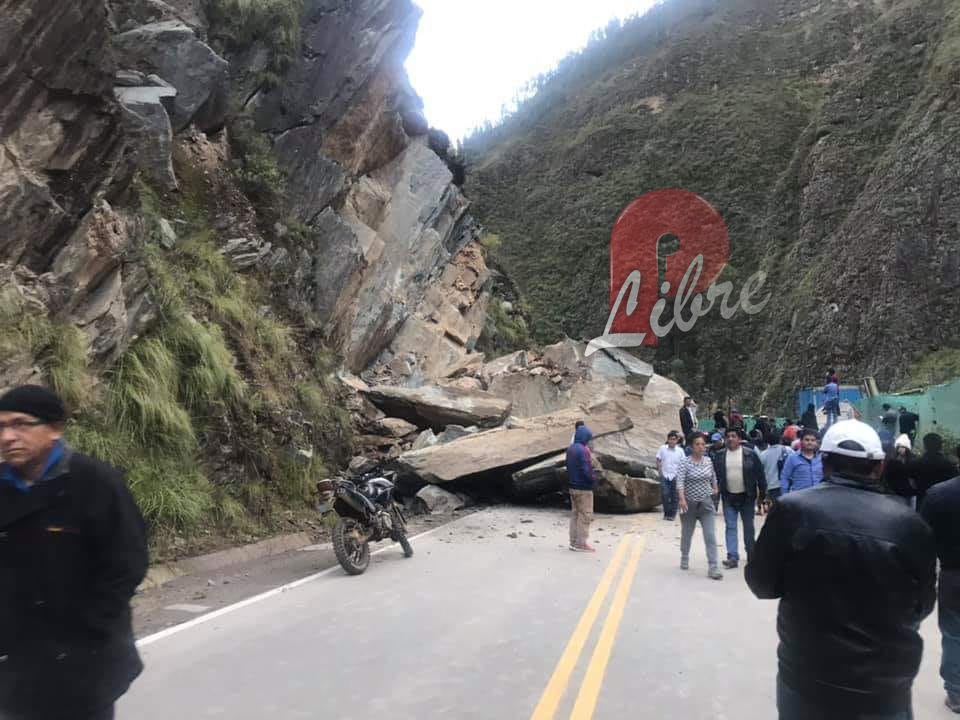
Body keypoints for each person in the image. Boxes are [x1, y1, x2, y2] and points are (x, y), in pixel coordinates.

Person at [746, 419, 936, 720]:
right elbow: (923, 605)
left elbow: (761, 584)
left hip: (809, 677)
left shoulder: (792, 510)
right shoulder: (910, 524)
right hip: (885, 685)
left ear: (825, 463)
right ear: (879, 466)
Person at [0, 385, 149, 720]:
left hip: (84, 657)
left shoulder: (93, 481)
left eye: (22, 424)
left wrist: (89, 628)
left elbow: (128, 561)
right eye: (1, 426)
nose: (8, 436)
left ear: (54, 429)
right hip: (17, 663)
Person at [922, 468, 960, 712]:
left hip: (953, 575)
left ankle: (956, 693)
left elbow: (922, 540)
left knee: (955, 634)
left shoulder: (939, 494)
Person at [712, 427, 766, 569]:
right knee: (730, 526)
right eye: (728, 436)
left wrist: (762, 495)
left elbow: (760, 475)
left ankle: (751, 554)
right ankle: (732, 557)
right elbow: (715, 476)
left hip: (747, 497)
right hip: (728, 496)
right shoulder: (720, 455)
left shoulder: (750, 454)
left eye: (733, 436)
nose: (730, 438)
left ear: (739, 438)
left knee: (748, 527)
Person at [675, 433, 722, 580]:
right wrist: (682, 499)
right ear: (691, 446)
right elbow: (680, 482)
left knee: (710, 536)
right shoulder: (685, 462)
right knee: (687, 534)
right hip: (688, 504)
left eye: (703, 444)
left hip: (706, 504)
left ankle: (713, 567)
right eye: (697, 444)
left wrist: (715, 487)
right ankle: (684, 556)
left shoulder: (708, 461)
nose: (701, 447)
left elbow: (713, 476)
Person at [566, 423, 596, 552]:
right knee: (585, 515)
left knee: (575, 514)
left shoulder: (571, 448)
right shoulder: (583, 450)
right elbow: (586, 469)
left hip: (572, 486)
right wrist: (593, 479)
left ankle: (573, 542)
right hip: (583, 488)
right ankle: (581, 543)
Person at [780, 428, 824, 494]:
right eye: (807, 440)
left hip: (819, 497)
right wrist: (784, 495)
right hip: (799, 498)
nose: (810, 442)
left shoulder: (821, 458)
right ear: (801, 441)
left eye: (813, 440)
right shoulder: (792, 458)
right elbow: (785, 477)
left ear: (816, 442)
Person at [656, 430, 685, 521]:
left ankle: (672, 515)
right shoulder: (662, 448)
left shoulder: (680, 451)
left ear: (677, 441)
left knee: (674, 496)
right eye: (670, 439)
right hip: (665, 474)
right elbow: (658, 459)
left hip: (675, 475)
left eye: (674, 439)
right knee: (665, 494)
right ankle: (666, 513)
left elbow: (683, 463)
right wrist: (660, 471)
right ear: (668, 440)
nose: (672, 441)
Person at [761, 432, 790, 505]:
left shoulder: (763, 454)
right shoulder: (788, 450)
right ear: (780, 440)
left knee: (778, 508)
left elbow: (761, 472)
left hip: (772, 486)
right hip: (787, 484)